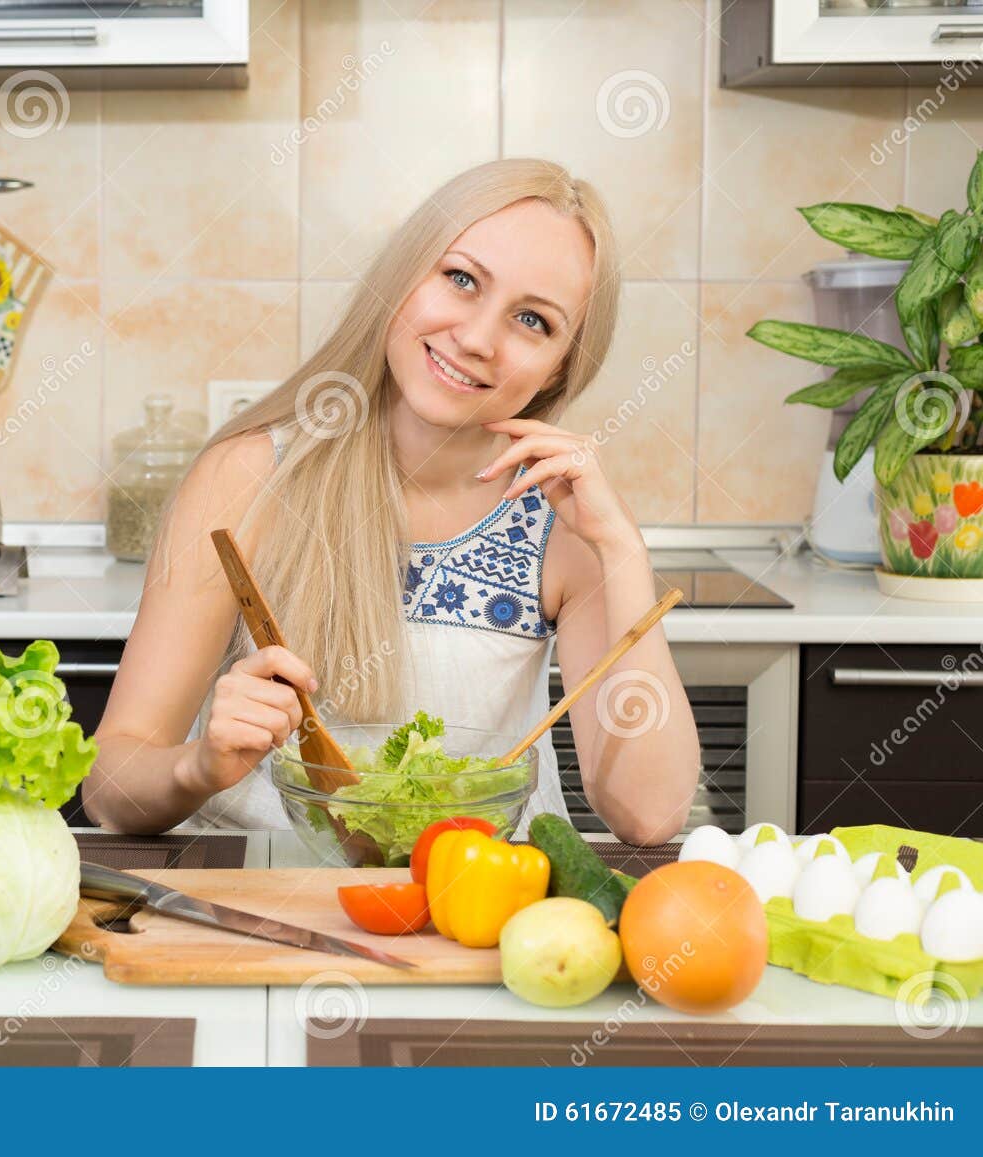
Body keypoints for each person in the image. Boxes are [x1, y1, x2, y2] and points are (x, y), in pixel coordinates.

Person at [85, 158, 699, 846]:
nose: (476, 339)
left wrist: (623, 552)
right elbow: (110, 786)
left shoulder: (564, 525)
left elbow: (650, 815)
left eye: (532, 319)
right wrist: (197, 767)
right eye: (461, 279)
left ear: (561, 365)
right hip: (259, 914)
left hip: (472, 920)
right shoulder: (249, 477)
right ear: (403, 275)